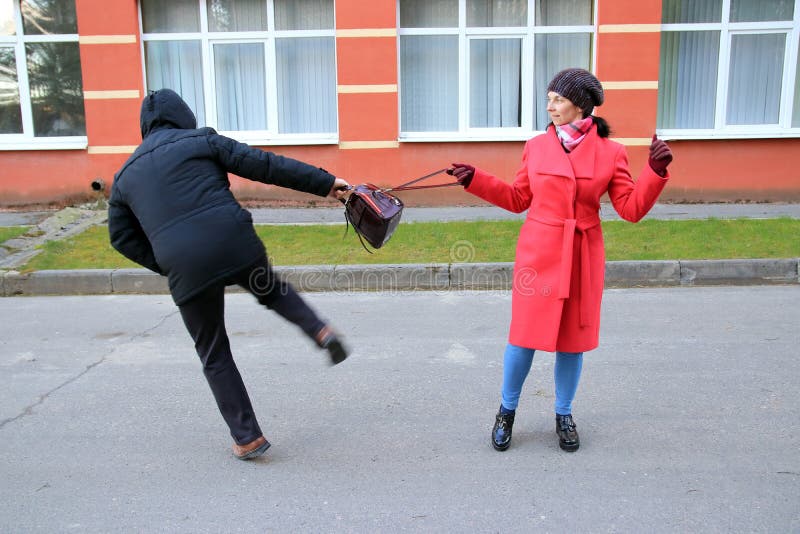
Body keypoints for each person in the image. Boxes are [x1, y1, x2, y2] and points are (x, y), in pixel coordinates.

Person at [108, 89, 351, 460]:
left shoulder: (125, 176)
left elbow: (121, 237)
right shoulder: (202, 140)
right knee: (272, 292)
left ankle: (247, 436)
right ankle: (320, 329)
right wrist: (326, 183)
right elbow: (265, 165)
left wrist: (166, 261)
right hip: (234, 244)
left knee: (214, 351)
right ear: (183, 115)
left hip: (186, 267)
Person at [448, 68, 673, 452]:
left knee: (573, 342)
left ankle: (564, 414)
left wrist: (655, 171)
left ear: (580, 105)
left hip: (583, 253)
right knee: (522, 338)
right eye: (549, 97)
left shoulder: (611, 153)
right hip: (539, 251)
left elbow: (631, 208)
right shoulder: (536, 147)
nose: (549, 105)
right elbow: (519, 198)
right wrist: (476, 179)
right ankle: (506, 411)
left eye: (558, 99)